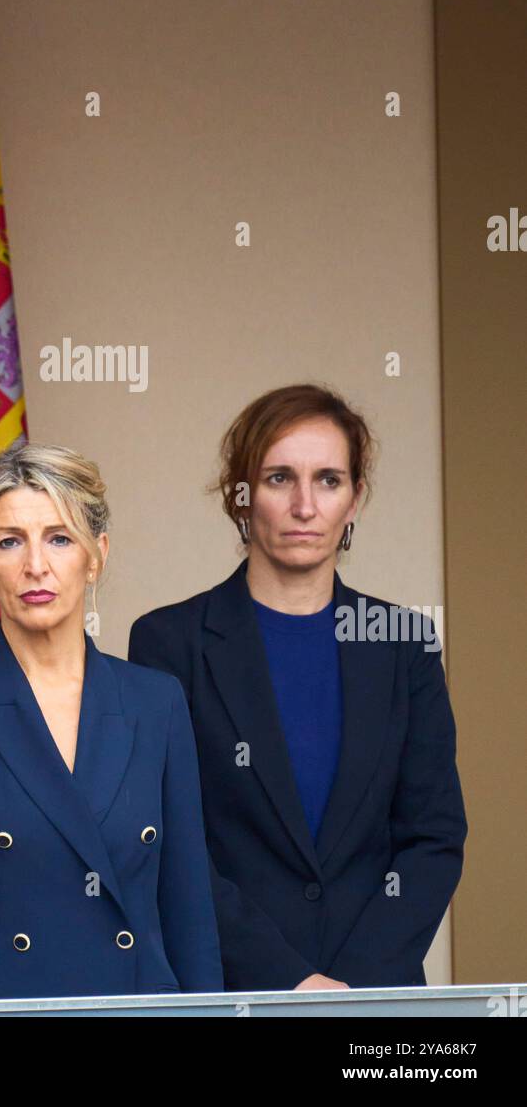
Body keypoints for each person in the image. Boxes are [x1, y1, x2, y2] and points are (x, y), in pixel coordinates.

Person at [129, 383, 467, 991]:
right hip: (232, 994)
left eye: (329, 480)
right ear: (242, 495)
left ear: (355, 498)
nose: (305, 506)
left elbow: (434, 838)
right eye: (279, 478)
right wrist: (290, 982)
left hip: (374, 1002)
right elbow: (172, 843)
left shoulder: (406, 645)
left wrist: (351, 991)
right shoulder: (168, 643)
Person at [0, 441, 222, 1002]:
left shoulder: (156, 703)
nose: (36, 565)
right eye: (10, 542)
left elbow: (190, 916)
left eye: (59, 538)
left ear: (96, 554)